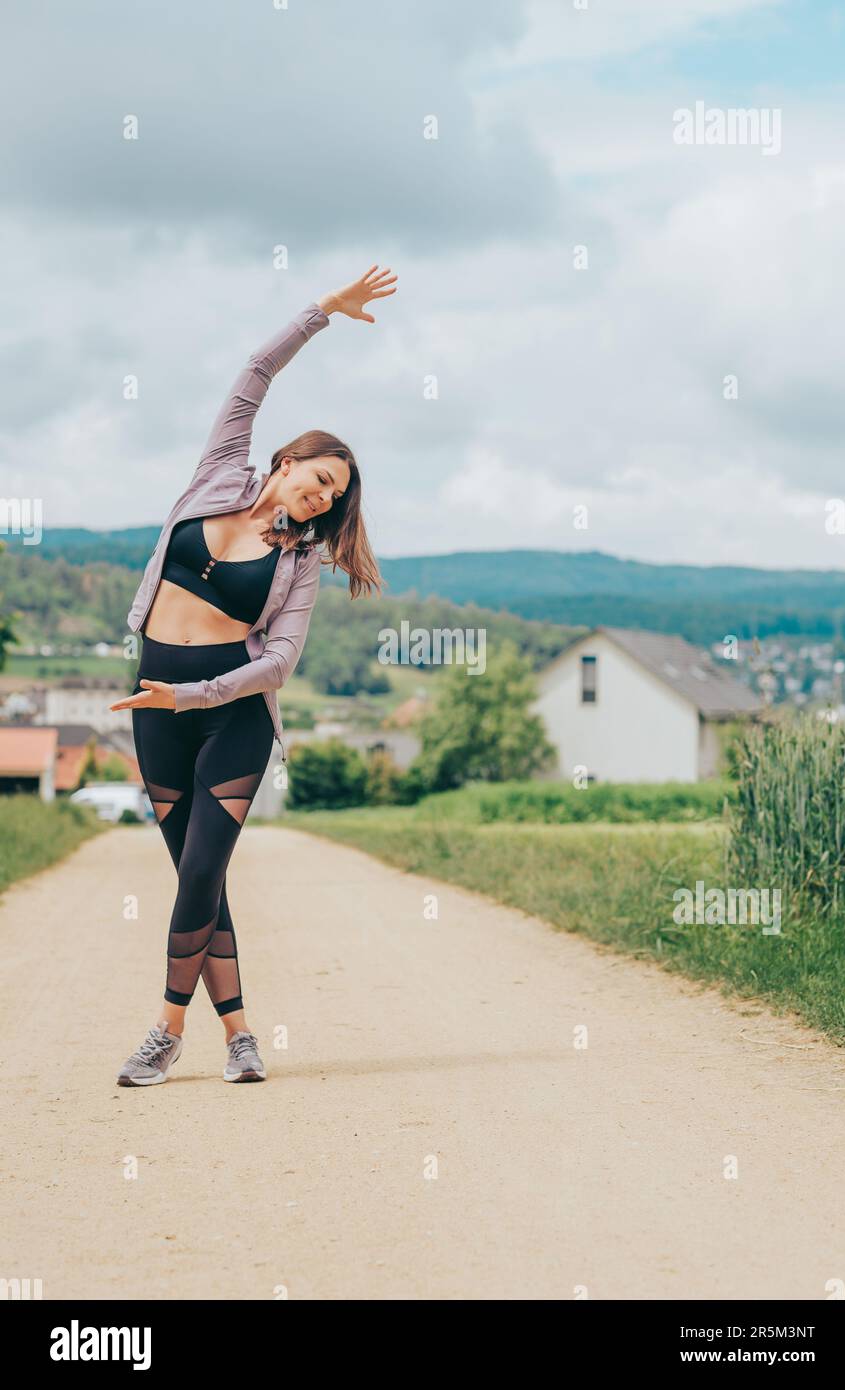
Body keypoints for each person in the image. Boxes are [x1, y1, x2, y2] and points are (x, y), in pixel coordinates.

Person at [110, 264, 397, 1085]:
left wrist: (195, 694)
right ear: (288, 459)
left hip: (230, 714)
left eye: (332, 498)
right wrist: (322, 313)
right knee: (196, 876)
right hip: (153, 704)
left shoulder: (300, 562)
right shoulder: (217, 477)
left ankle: (165, 1032)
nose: (320, 499)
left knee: (203, 868)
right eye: (320, 479)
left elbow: (278, 661)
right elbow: (252, 376)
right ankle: (241, 1036)